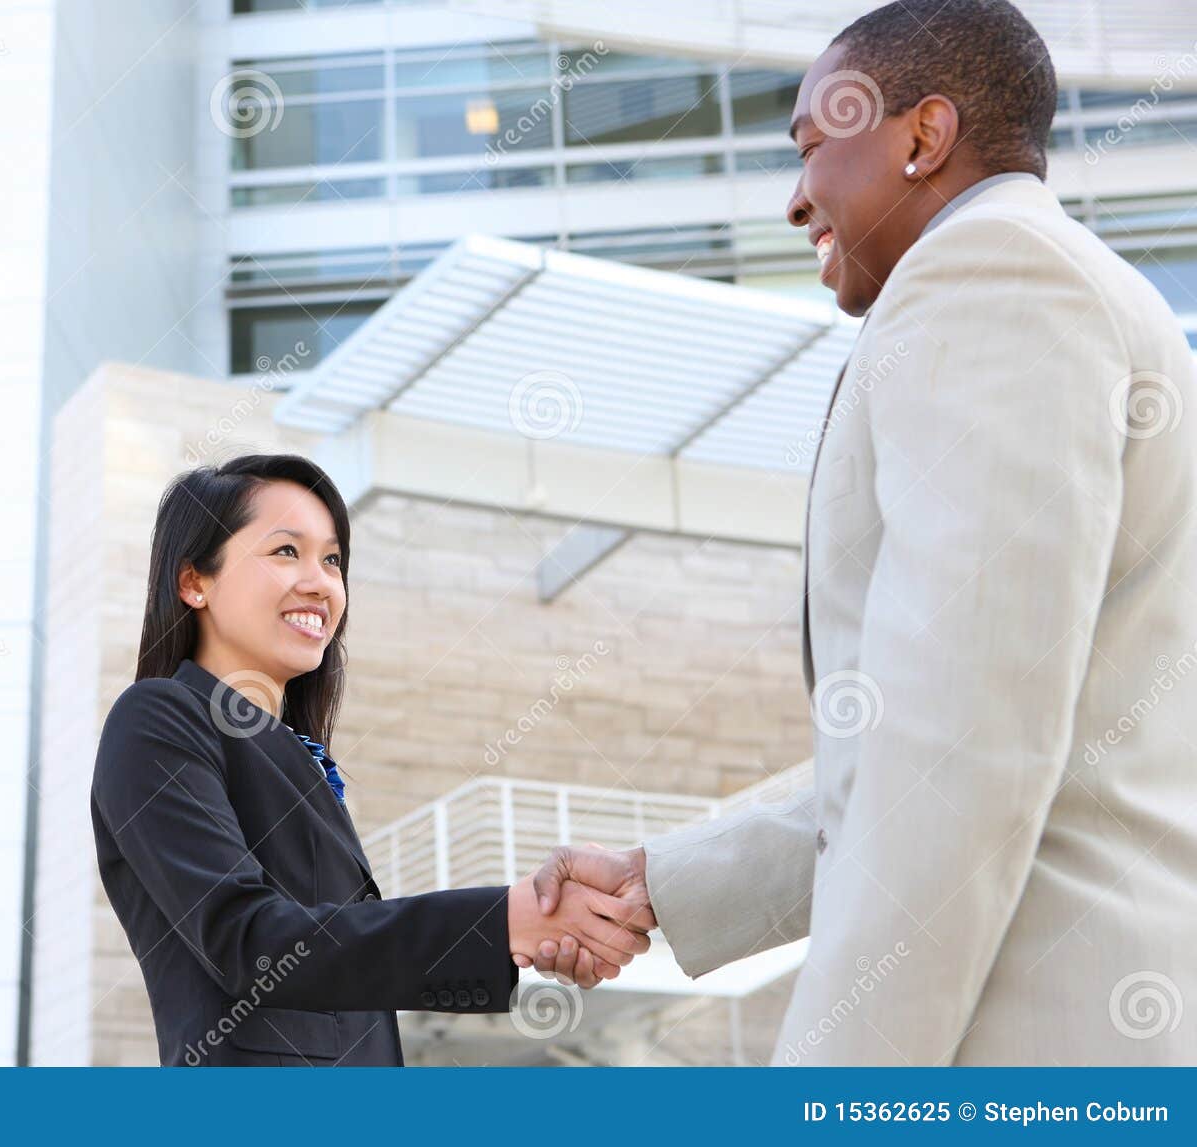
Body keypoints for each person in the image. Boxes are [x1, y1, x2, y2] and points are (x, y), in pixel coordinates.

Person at [524, 0, 1197, 1065]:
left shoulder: (989, 278)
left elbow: (961, 737)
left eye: (810, 148)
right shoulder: (1056, 281)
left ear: (922, 138)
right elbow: (948, 743)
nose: (795, 199)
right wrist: (666, 880)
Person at [91, 453, 653, 1065]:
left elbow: (338, 964)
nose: (321, 582)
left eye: (332, 560)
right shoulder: (158, 719)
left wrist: (536, 922)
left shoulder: (298, 758)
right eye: (285, 552)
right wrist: (505, 922)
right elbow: (251, 942)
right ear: (194, 581)